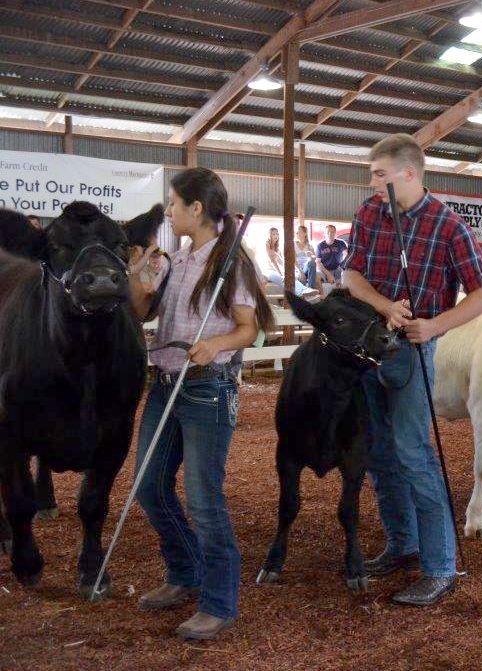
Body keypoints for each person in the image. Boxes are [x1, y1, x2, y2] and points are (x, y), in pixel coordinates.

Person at [344, 133, 482, 606]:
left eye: (379, 174)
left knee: (413, 453)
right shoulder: (369, 213)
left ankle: (440, 566)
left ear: (409, 173)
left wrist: (432, 328)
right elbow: (351, 274)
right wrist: (385, 304)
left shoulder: (449, 226)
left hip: (411, 353)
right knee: (378, 453)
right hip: (368, 347)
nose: (372, 182)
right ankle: (402, 542)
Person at [125, 167, 274, 640]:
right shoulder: (176, 259)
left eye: (173, 204)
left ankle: (219, 602)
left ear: (195, 209)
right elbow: (141, 310)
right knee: (149, 487)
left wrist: (216, 345)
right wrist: (139, 280)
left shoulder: (231, 262)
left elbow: (250, 328)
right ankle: (184, 570)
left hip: (208, 387)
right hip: (166, 381)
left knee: (204, 499)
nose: (167, 212)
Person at [261, 227, 312, 295]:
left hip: (276, 269)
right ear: (269, 235)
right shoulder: (266, 245)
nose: (276, 236)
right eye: (273, 234)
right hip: (268, 271)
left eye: (277, 234)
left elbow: (281, 263)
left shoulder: (277, 249)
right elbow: (272, 261)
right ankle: (302, 291)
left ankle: (304, 290)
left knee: (290, 275)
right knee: (282, 278)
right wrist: (281, 274)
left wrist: (290, 270)